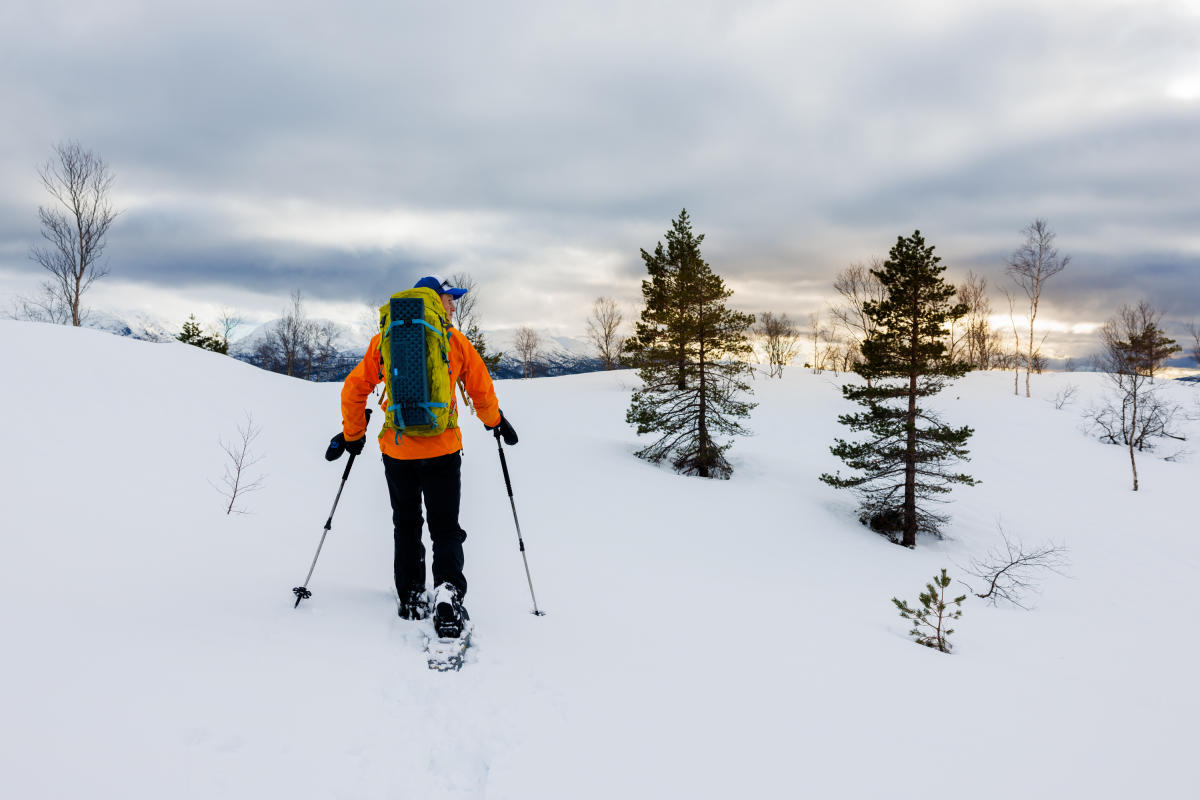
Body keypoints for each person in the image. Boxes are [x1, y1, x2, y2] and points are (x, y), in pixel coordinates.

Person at [328, 275, 518, 638]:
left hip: (397, 452)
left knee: (407, 524)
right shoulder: (452, 340)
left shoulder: (386, 340)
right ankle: (448, 592)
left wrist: (353, 435)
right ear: (435, 299)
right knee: (445, 527)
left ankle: (412, 596)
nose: (453, 305)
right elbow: (481, 390)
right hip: (443, 450)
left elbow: (354, 390)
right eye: (449, 299)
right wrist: (495, 422)